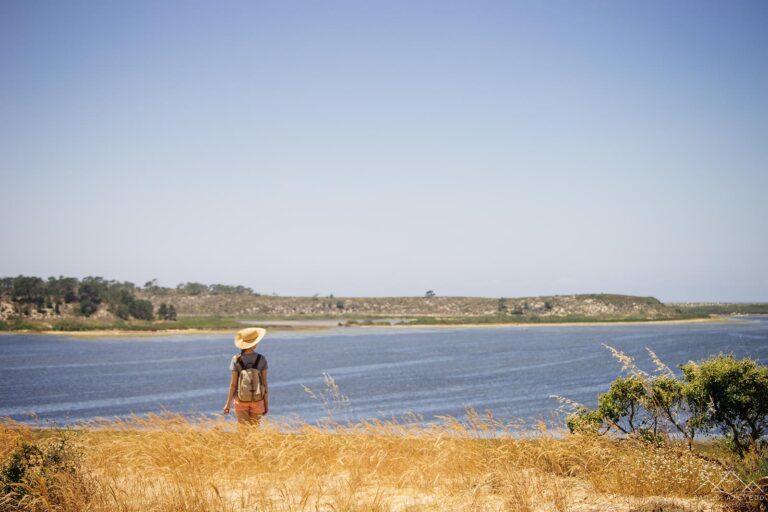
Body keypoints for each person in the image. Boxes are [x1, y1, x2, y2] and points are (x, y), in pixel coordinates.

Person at [223, 327, 269, 425]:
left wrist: (228, 404)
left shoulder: (236, 359)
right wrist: (266, 404)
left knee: (243, 432)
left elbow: (233, 385)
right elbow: (264, 384)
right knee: (254, 431)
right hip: (258, 399)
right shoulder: (262, 359)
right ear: (254, 343)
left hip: (241, 399)